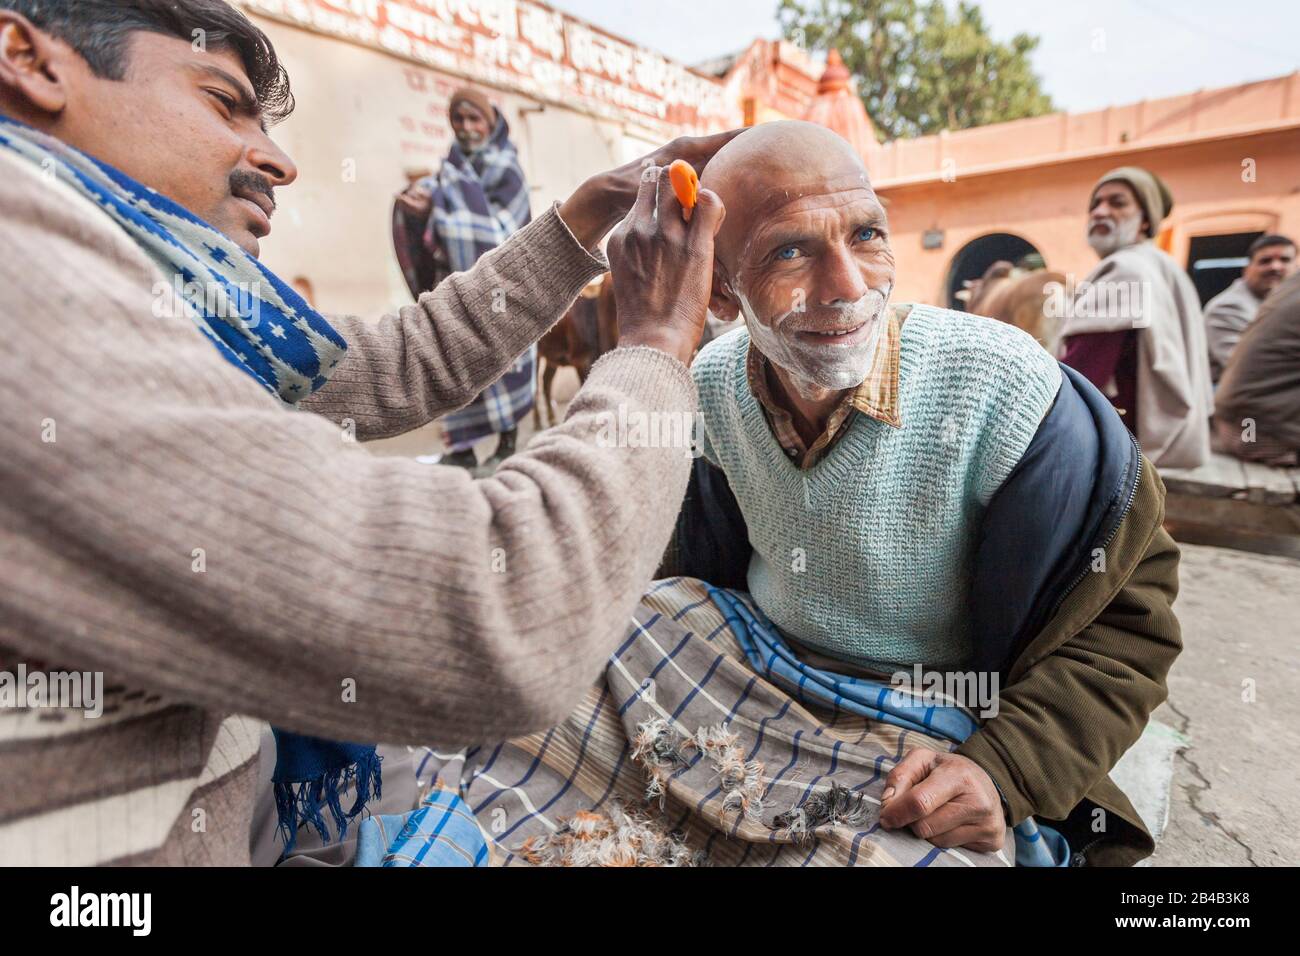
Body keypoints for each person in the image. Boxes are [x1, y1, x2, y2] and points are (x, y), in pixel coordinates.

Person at [0, 0, 734, 865]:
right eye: (222, 103)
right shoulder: (28, 285)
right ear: (27, 58)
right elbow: (507, 613)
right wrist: (652, 344)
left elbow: (393, 362)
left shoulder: (177, 302)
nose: (276, 159)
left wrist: (581, 222)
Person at [420, 123, 1182, 868]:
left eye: (867, 236)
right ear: (718, 290)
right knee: (528, 695)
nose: (848, 288)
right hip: (756, 671)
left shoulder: (1006, 388)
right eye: (791, 250)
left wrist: (1006, 768)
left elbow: (1128, 623)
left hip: (934, 713)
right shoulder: (709, 388)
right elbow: (664, 559)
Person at [392, 87, 535, 472]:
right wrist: (423, 209)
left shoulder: (508, 170)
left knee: (507, 360)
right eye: (459, 120)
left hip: (504, 285)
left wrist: (440, 205)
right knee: (457, 359)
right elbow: (447, 215)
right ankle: (463, 447)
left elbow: (505, 227)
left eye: (475, 119)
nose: (467, 127)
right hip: (456, 282)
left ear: (490, 124)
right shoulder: (450, 168)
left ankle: (507, 442)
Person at [1060, 166, 1214, 467]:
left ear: (1145, 220)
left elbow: (1081, 374)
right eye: (1095, 204)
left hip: (1125, 445)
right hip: (1171, 439)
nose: (1100, 212)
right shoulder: (1163, 266)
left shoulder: (1125, 269)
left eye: (1117, 203)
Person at [1213, 270, 1300, 468]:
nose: (1276, 267)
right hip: (1257, 434)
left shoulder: (1290, 285)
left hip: (1242, 425)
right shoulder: (1227, 307)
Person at [1204, 234, 1296, 382]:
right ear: (1247, 270)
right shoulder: (1227, 308)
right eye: (1265, 261)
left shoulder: (1286, 304)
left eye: (1285, 260)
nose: (1275, 267)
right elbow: (1251, 369)